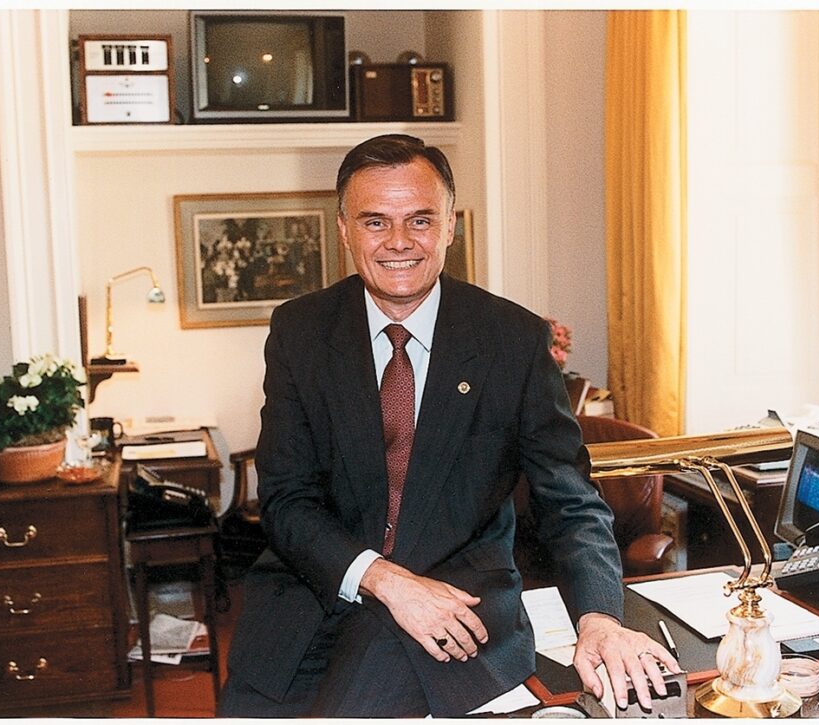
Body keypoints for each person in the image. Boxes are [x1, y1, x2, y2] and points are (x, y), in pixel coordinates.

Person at [219, 134, 678, 717]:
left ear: (450, 226)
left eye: (420, 220)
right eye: (375, 223)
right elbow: (286, 499)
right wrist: (384, 579)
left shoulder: (510, 340)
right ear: (343, 230)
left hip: (456, 606)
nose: (399, 243)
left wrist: (599, 619)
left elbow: (570, 501)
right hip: (315, 591)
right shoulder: (301, 331)